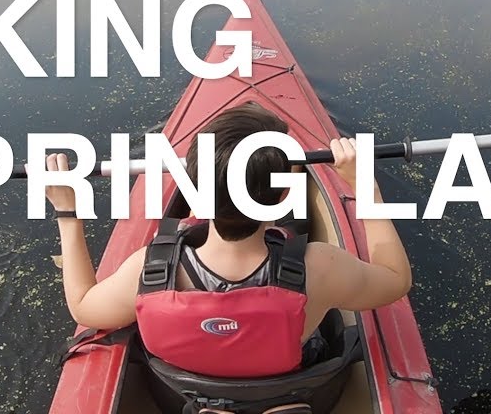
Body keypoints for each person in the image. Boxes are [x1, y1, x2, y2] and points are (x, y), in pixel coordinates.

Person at [42, 101, 412, 379]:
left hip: (190, 386)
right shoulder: (321, 267)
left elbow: (83, 307)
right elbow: (396, 279)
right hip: (283, 381)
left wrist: (67, 211)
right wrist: (366, 186)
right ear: (285, 195)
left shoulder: (148, 269)